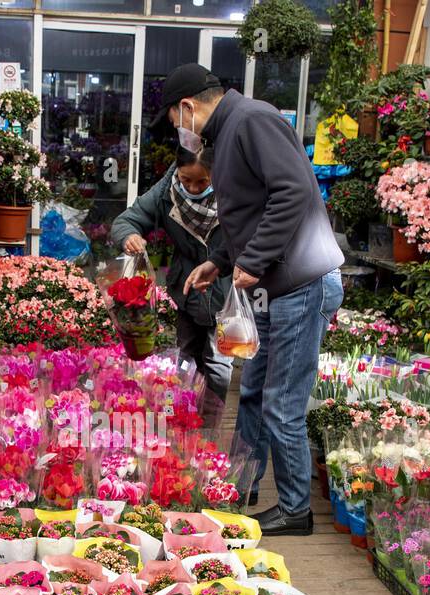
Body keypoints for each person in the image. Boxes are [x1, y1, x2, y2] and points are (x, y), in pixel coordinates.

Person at [156, 64, 344, 536]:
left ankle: (296, 511)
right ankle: (242, 486)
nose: (181, 132)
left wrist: (255, 259)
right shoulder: (227, 133)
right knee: (256, 393)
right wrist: (219, 260)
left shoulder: (253, 119)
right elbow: (248, 212)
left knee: (282, 402)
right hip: (274, 287)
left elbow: (293, 192)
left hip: (299, 283)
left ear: (187, 108)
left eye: (176, 123)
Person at [109, 148, 233, 406]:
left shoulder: (235, 195)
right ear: (177, 171)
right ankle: (184, 414)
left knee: (218, 363)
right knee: (186, 356)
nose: (194, 187)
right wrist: (129, 236)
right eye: (187, 179)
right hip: (186, 291)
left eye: (202, 181)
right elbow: (126, 220)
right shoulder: (167, 194)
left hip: (225, 293)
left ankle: (211, 423)